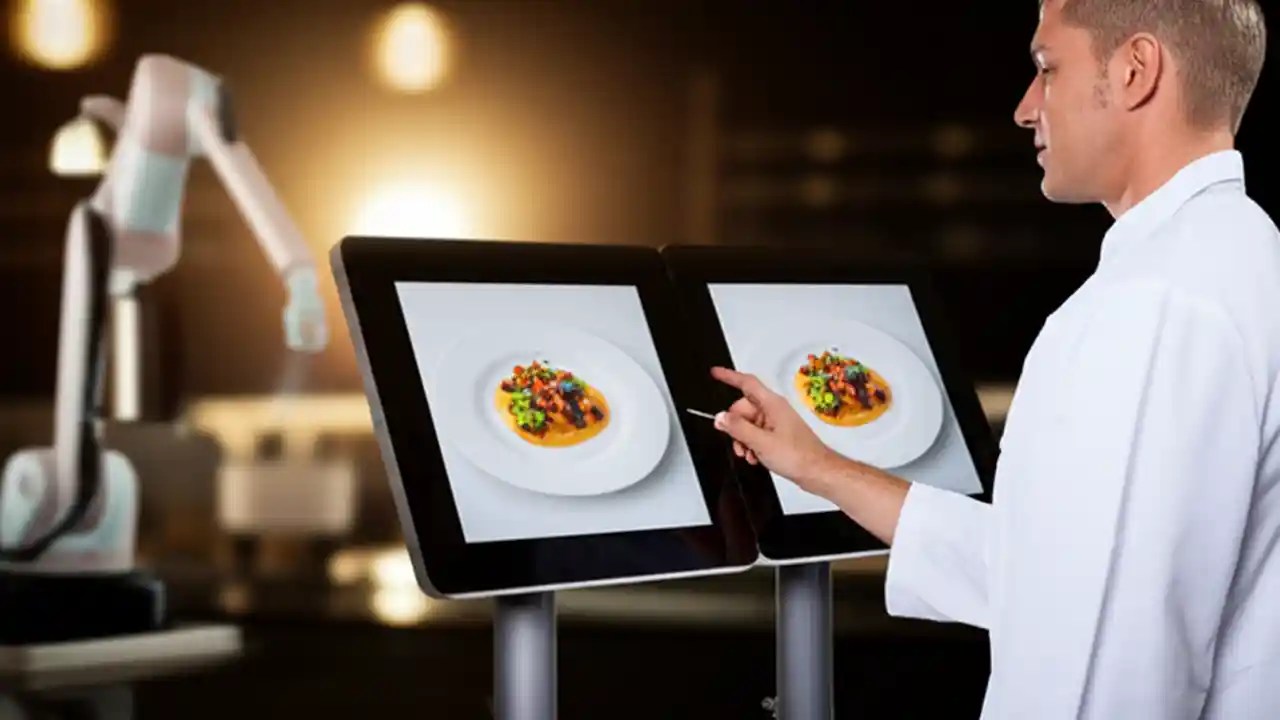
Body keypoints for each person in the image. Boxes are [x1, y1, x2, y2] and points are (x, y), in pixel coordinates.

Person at [711, 1, 1277, 717]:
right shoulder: (1245, 256)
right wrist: (820, 468)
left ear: (1135, 70)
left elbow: (1101, 673)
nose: (1024, 107)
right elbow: (1050, 572)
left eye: (1047, 68)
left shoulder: (1155, 304)